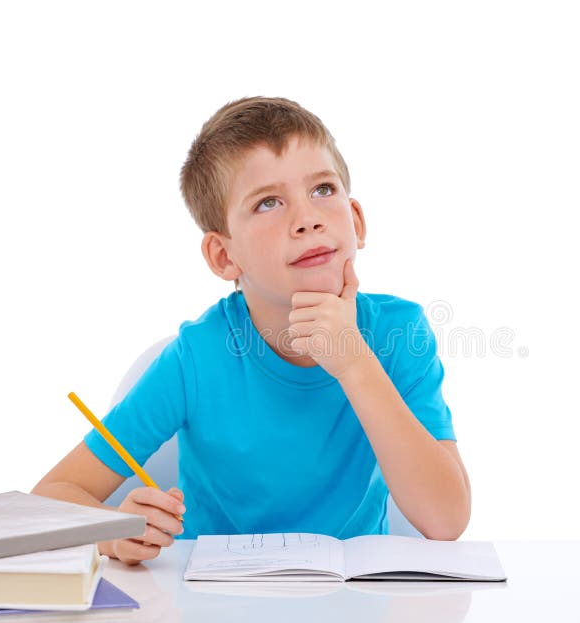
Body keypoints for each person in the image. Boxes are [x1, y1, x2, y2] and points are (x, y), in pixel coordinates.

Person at [32, 96, 471, 565]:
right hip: (214, 613)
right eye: (268, 203)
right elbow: (50, 497)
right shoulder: (195, 359)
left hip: (355, 610)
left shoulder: (399, 333)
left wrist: (354, 362)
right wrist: (112, 532)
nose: (307, 219)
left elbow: (446, 521)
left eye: (323, 189)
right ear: (224, 257)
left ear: (356, 221)